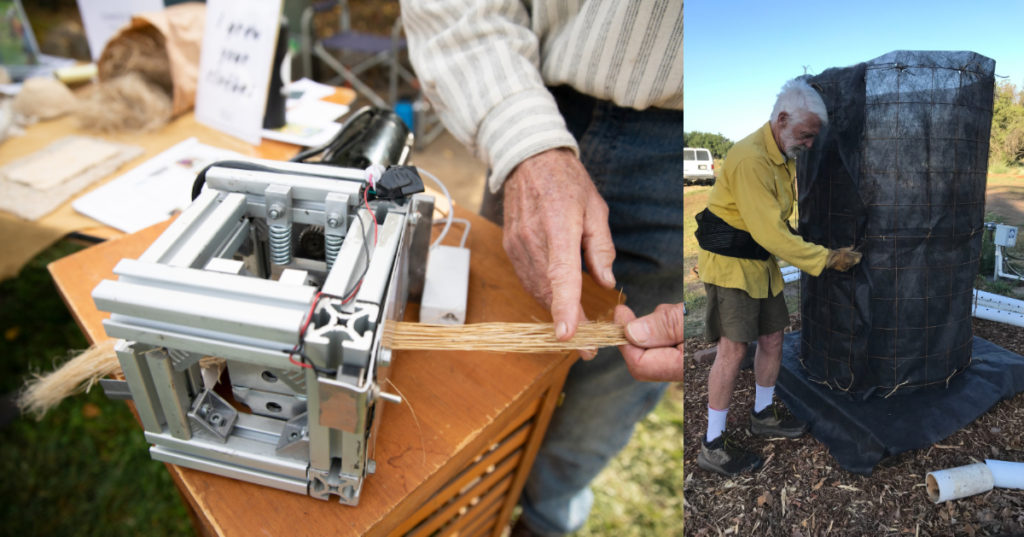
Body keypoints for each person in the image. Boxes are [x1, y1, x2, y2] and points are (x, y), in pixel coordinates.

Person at [399, 2, 682, 535]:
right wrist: (524, 141)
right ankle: (467, 508)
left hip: (676, 151)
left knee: (593, 417)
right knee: (478, 388)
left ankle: (545, 520)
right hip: (538, 99)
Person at [694, 78, 861, 477]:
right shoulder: (750, 159)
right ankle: (712, 444)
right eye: (805, 135)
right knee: (733, 349)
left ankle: (763, 415)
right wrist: (826, 258)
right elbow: (770, 232)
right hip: (732, 265)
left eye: (812, 137)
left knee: (772, 338)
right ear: (782, 119)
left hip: (760, 263)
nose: (809, 144)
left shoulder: (783, 155)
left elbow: (776, 225)